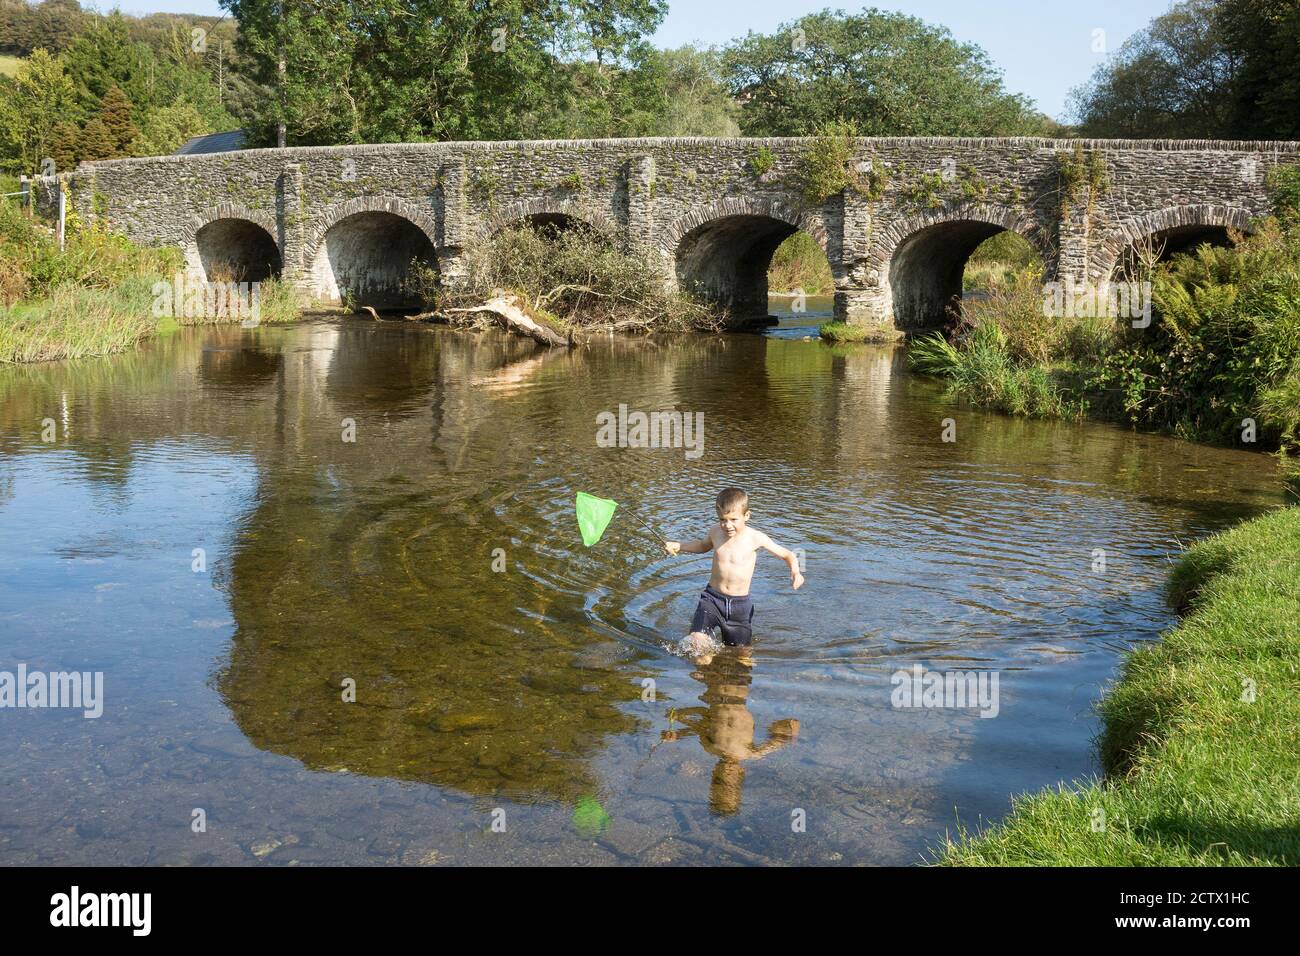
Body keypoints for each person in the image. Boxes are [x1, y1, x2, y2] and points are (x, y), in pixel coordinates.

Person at [664, 487, 804, 656]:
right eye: (723, 519)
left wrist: (796, 572)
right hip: (711, 599)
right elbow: (702, 546)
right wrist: (680, 546)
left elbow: (787, 555)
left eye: (733, 519)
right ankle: (706, 668)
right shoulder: (715, 531)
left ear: (747, 516)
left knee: (741, 655)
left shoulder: (755, 537)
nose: (727, 525)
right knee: (696, 643)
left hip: (739, 606)